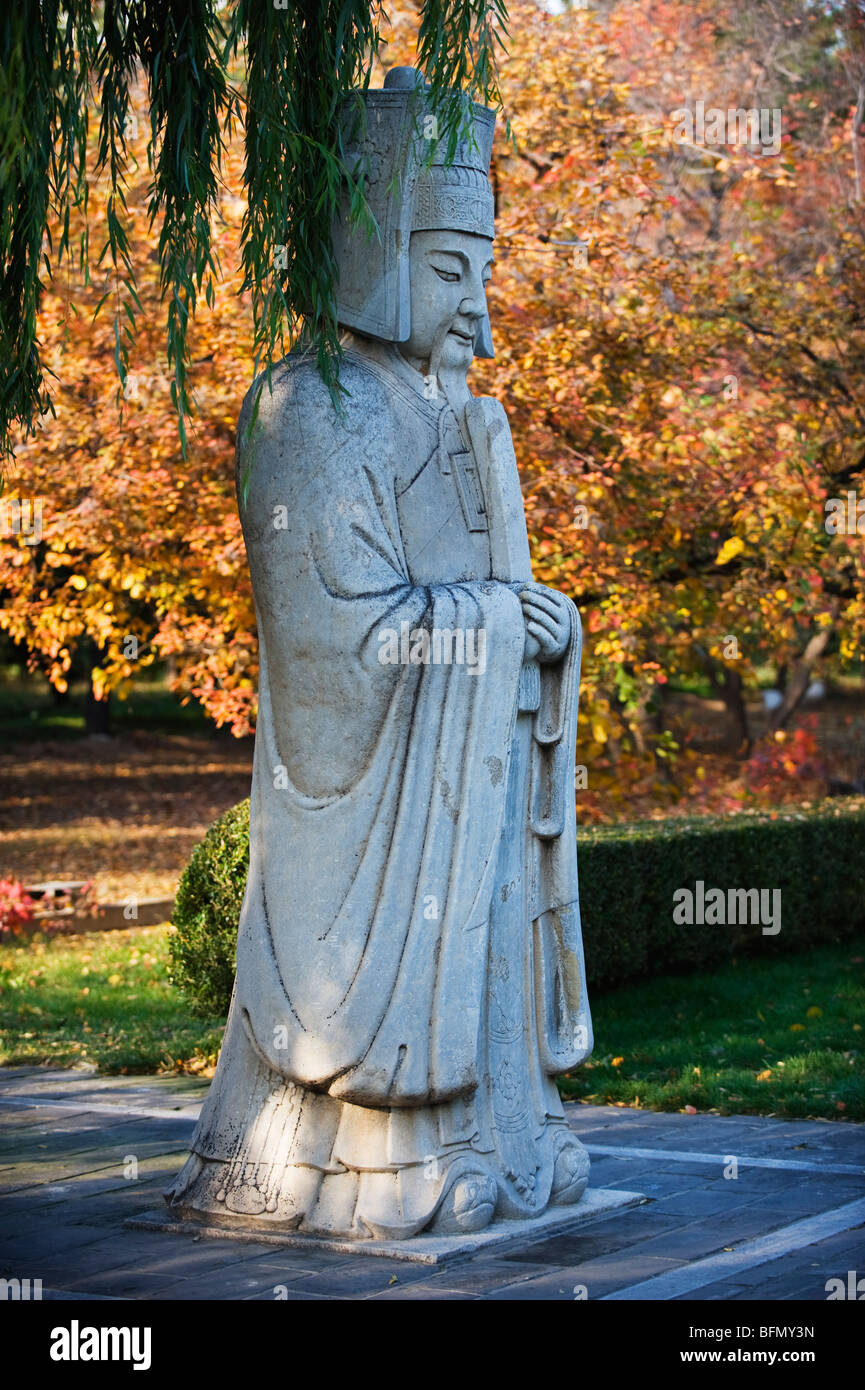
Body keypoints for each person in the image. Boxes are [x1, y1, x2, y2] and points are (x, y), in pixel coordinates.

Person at [165, 66, 592, 1240]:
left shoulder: (478, 417)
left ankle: (506, 1122)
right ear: (371, 256)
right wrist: (497, 627)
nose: (477, 307)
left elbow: (497, 592)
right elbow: (335, 642)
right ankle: (372, 1154)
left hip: (478, 774)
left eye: (482, 272)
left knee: (492, 910)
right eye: (447, 269)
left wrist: (537, 632)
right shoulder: (306, 408)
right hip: (374, 798)